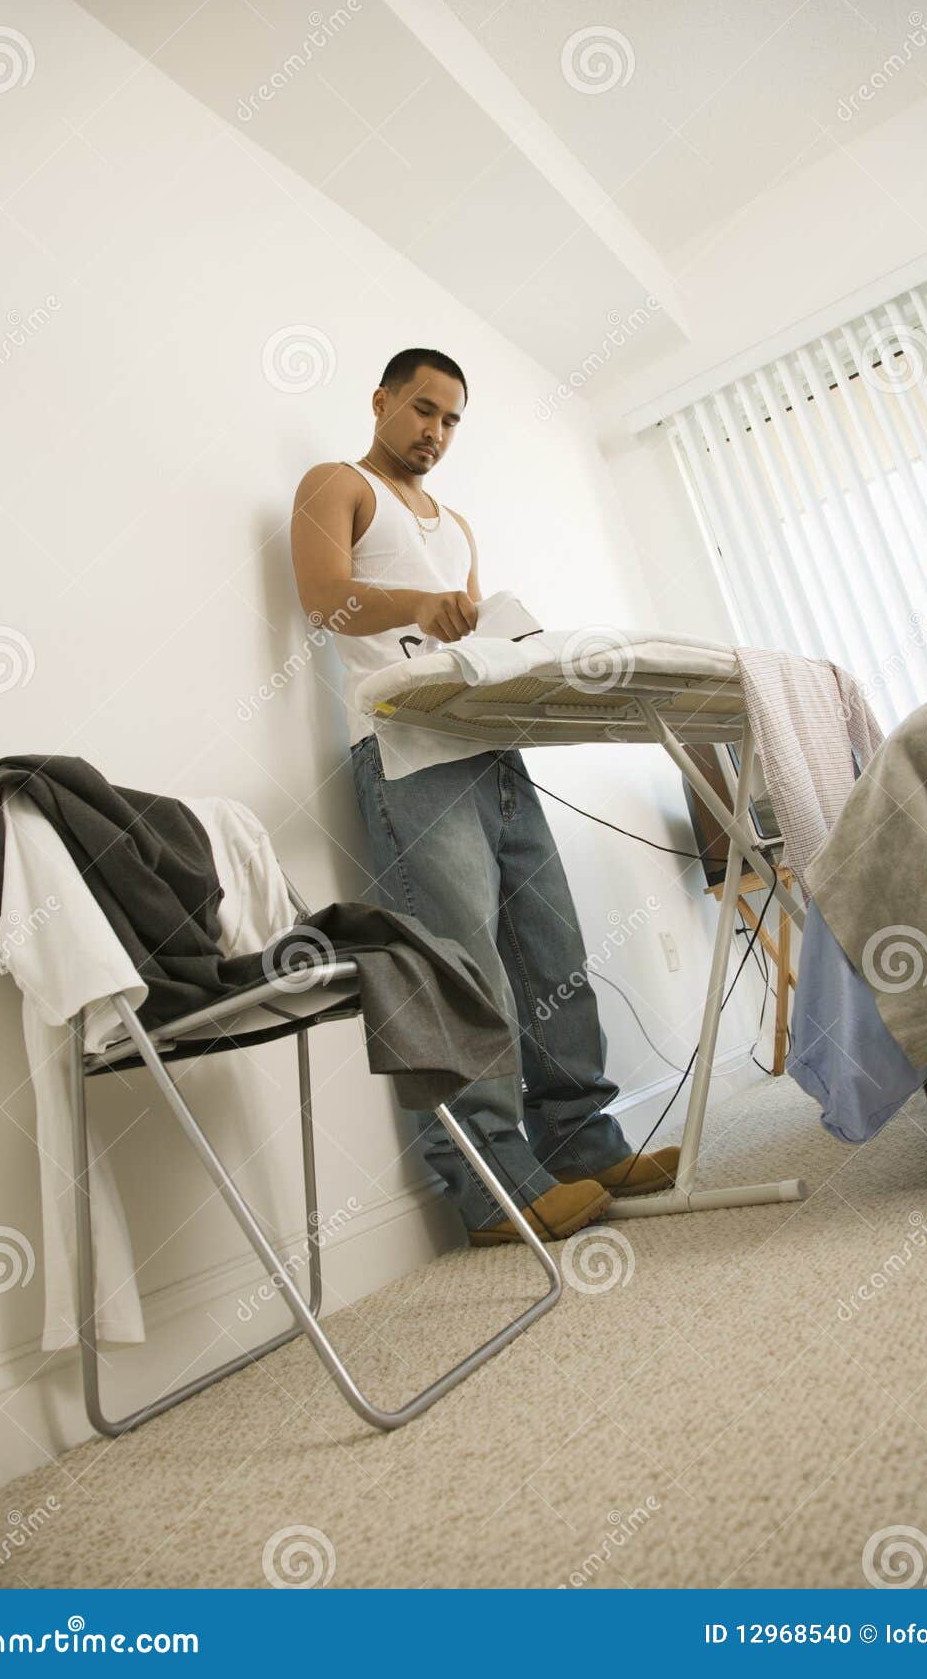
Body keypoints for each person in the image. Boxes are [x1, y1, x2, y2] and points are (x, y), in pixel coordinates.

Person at [290, 347, 677, 1244]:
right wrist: (421, 609)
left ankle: (582, 1142)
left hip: (490, 750)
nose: (435, 431)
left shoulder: (455, 522)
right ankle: (491, 1186)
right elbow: (323, 600)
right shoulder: (337, 482)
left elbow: (468, 638)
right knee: (458, 970)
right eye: (422, 410)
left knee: (553, 954)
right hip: (405, 750)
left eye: (452, 419)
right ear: (381, 400)